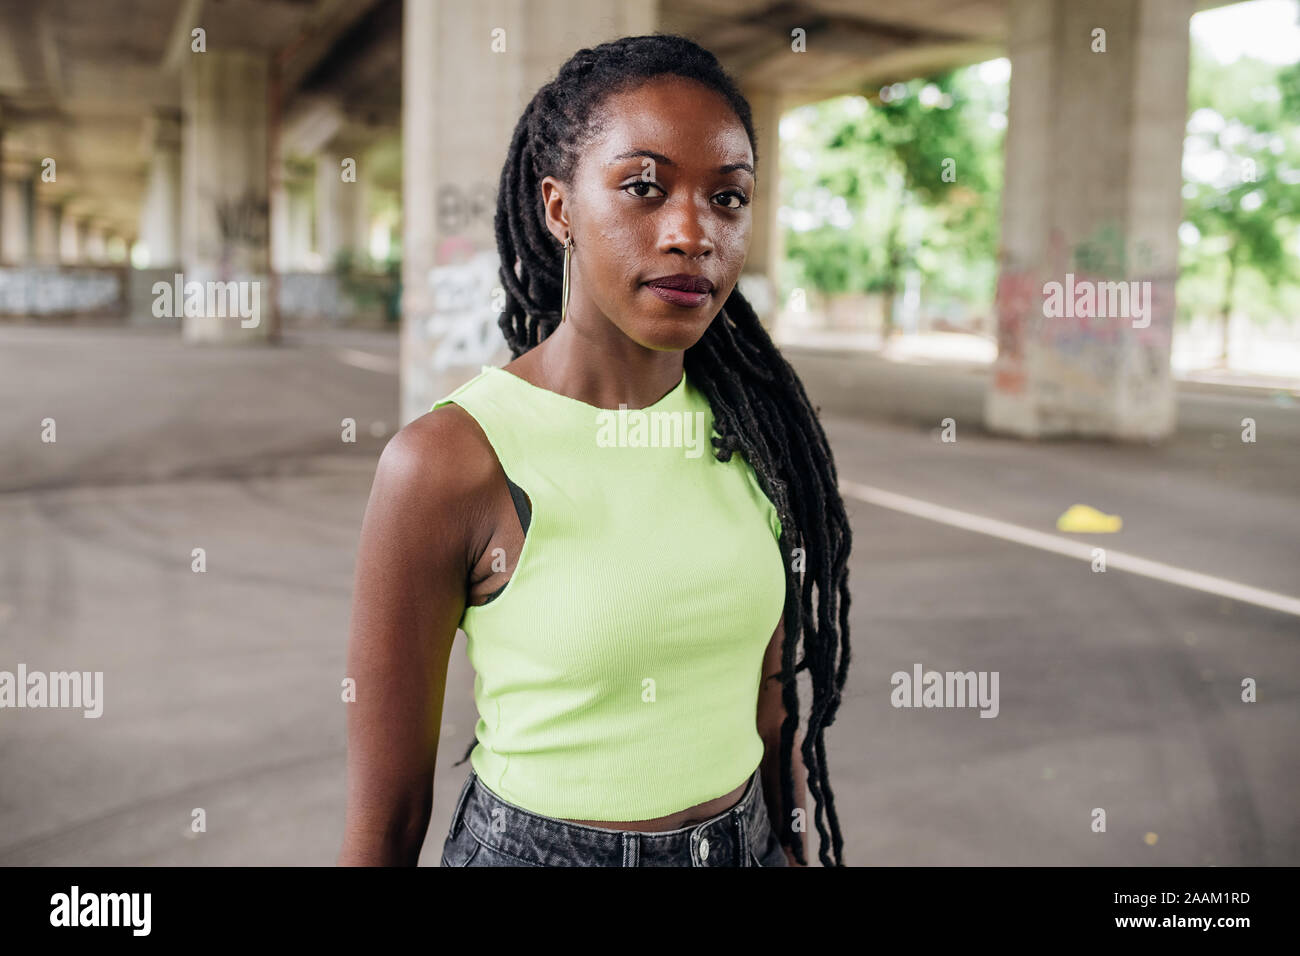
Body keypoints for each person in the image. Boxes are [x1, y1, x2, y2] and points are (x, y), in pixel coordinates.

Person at [338, 33, 852, 867]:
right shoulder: (450, 460)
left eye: (728, 198)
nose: (692, 233)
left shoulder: (755, 435)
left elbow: (769, 711)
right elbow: (386, 823)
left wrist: (794, 852)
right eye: (644, 187)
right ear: (558, 209)